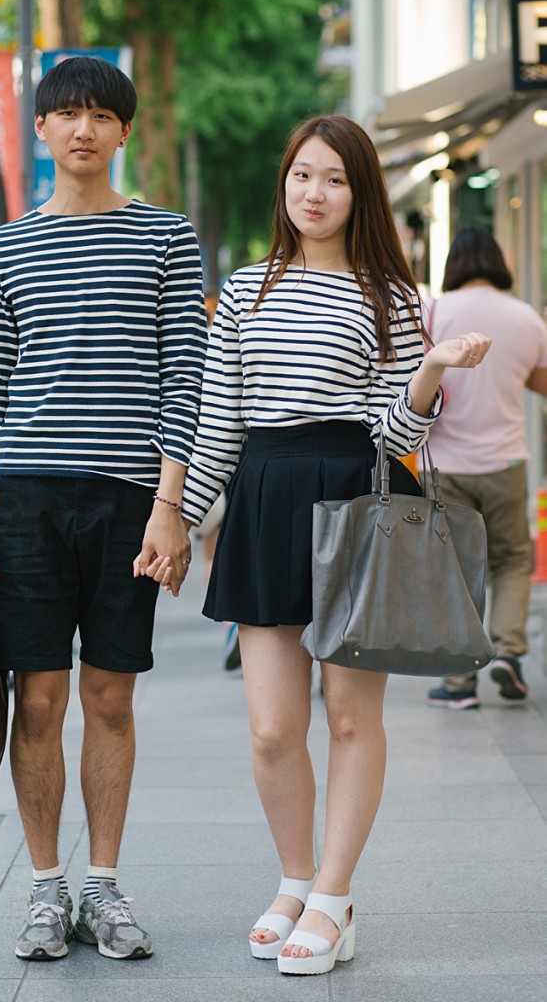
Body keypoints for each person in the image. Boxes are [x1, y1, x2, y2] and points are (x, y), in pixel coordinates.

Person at [164, 115, 490, 977]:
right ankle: (295, 878)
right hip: (266, 501)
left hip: (355, 498)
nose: (314, 193)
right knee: (273, 728)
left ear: (360, 193)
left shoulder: (388, 294)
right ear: (285, 184)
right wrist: (178, 519)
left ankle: (334, 898)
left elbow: (391, 435)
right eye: (302, 175)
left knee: (350, 717)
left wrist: (431, 369)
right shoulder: (241, 289)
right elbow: (219, 422)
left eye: (334, 179)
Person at [0, 55, 207, 962]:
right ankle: (45, 889)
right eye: (68, 115)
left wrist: (170, 507)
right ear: (44, 130)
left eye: (102, 115)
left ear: (124, 132)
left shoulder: (167, 238)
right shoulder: (2, 247)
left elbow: (187, 377)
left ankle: (103, 887)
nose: (84, 129)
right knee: (39, 698)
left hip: (128, 499)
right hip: (24, 501)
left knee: (109, 696)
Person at [424, 227, 547, 710]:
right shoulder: (524, 316)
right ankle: (510, 654)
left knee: (455, 569)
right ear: (498, 261)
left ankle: (458, 684)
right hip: (506, 461)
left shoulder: (433, 311)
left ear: (454, 263)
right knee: (513, 559)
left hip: (447, 466)